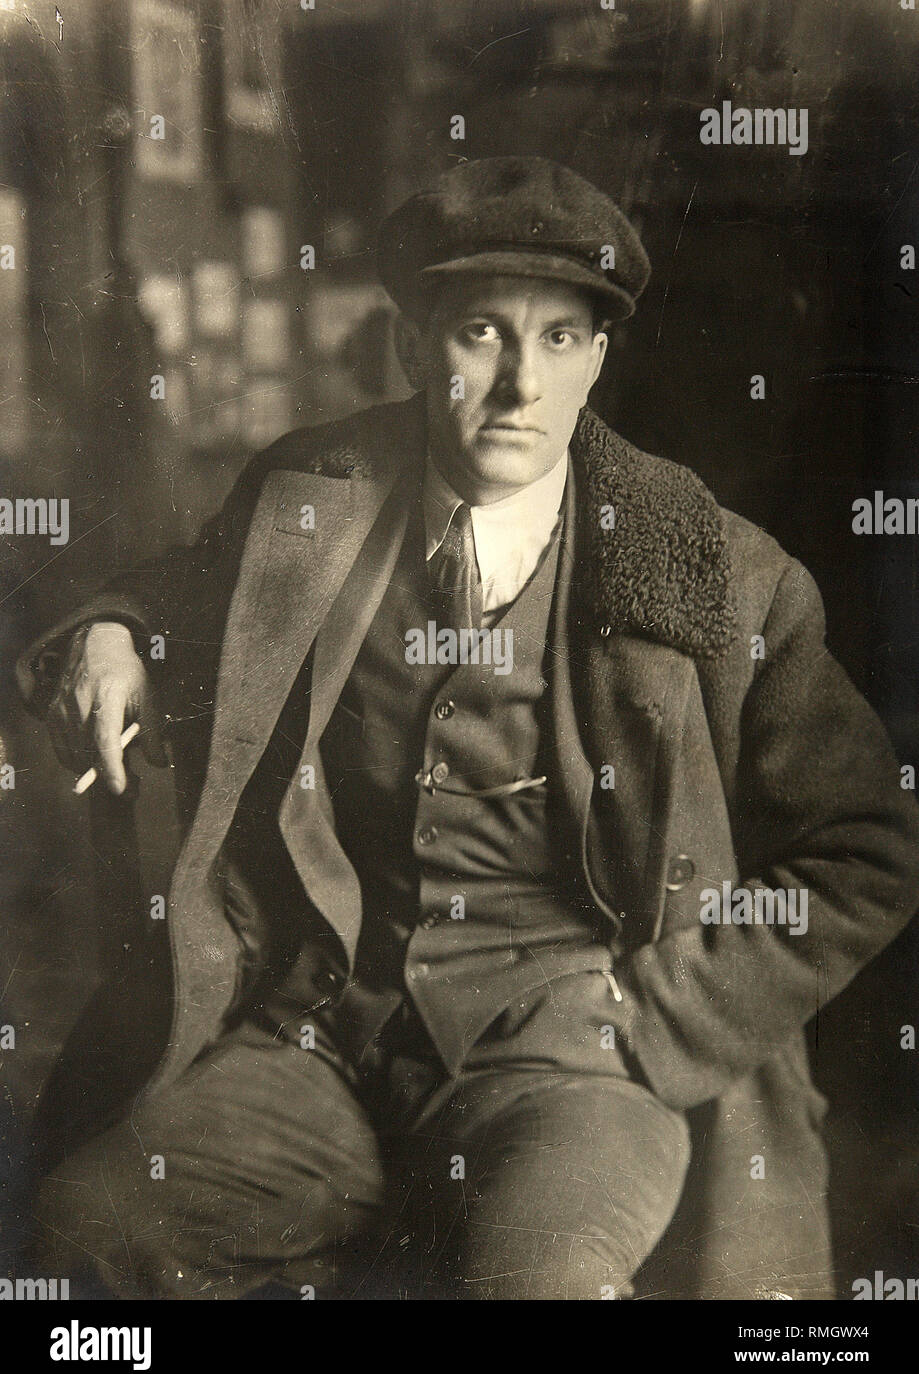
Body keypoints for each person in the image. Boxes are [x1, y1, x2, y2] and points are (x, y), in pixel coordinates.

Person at [18, 157, 919, 1301]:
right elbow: (184, 598)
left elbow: (871, 846)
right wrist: (113, 632)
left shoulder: (719, 576)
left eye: (556, 341)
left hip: (570, 1068)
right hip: (319, 1034)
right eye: (481, 333)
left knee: (533, 1287)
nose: (517, 387)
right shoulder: (312, 501)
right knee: (83, 1233)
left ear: (597, 360)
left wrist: (654, 1013)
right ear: (408, 347)